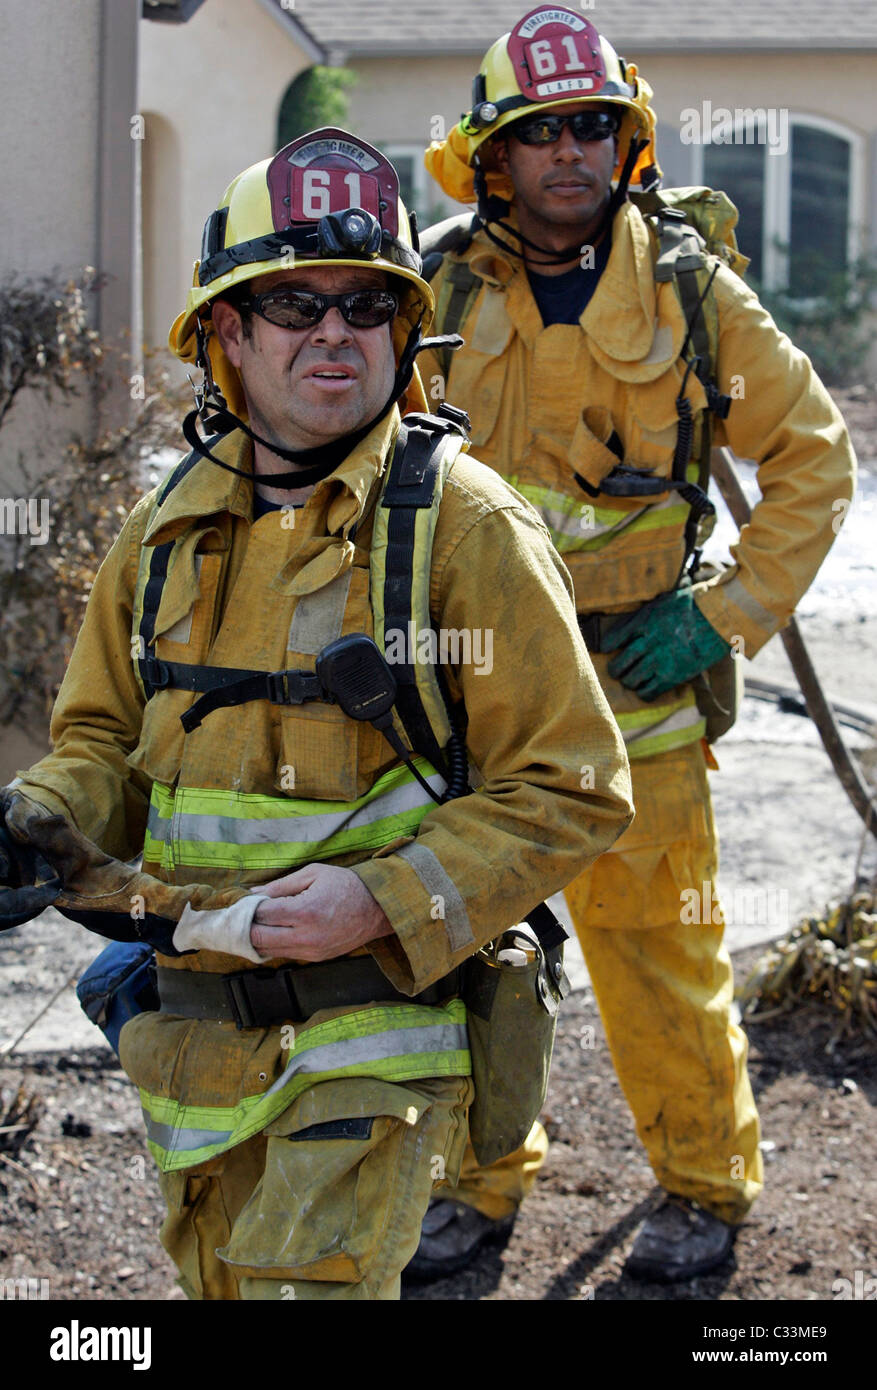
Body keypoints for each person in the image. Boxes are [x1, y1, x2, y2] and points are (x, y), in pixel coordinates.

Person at [0, 128, 634, 1300]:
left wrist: (377, 897)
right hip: (192, 1038)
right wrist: (37, 819)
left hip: (376, 1045)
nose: (334, 332)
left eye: (365, 305)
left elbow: (573, 788)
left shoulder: (468, 527)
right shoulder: (161, 532)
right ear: (228, 335)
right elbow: (101, 746)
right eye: (292, 302)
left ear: (405, 331)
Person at [414, 7, 857, 1283]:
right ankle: (477, 1182)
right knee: (467, 958)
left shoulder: (690, 290)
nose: (567, 151)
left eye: (591, 127)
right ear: (491, 158)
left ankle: (702, 1193)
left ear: (628, 142)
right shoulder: (437, 289)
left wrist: (716, 615)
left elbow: (814, 462)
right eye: (538, 130)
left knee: (664, 956)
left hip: (635, 697)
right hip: (470, 702)